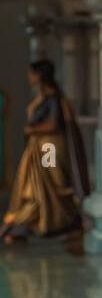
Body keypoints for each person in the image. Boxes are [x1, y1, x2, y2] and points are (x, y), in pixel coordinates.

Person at [1, 59, 90, 244]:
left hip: (49, 148)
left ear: (40, 76)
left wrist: (32, 130)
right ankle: (24, 224)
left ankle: (65, 222)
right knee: (36, 187)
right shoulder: (43, 98)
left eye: (32, 74)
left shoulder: (54, 98)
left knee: (53, 183)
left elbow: (54, 124)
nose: (29, 77)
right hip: (40, 147)